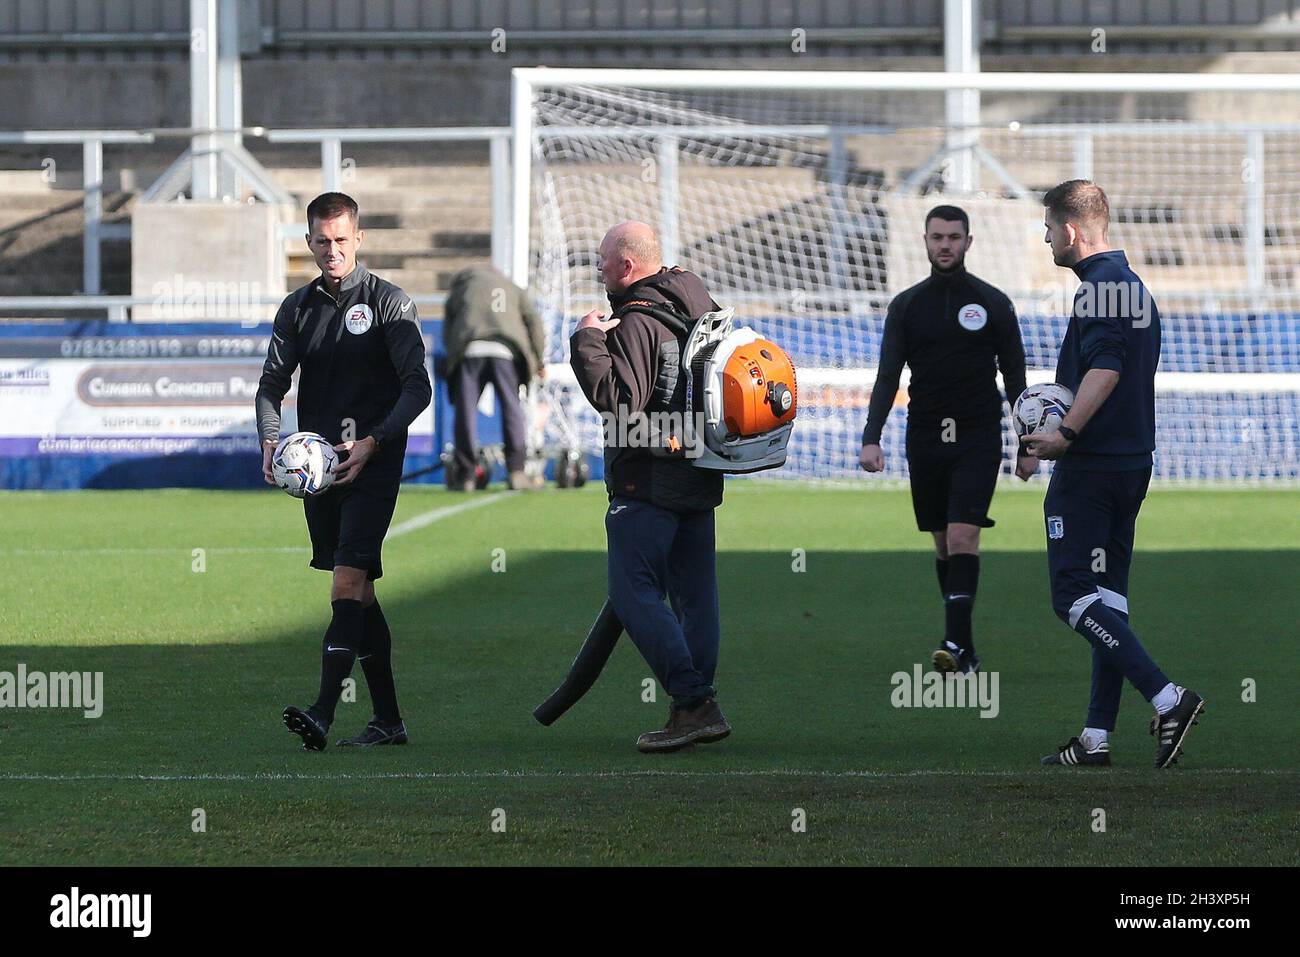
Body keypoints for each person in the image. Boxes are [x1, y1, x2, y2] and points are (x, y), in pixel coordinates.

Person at [1027, 179, 1204, 769]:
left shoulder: (1099, 290)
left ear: (1072, 231)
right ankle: (1097, 738)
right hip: (1130, 463)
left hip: (1093, 469)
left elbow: (1105, 369)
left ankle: (1168, 697)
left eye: (1049, 228)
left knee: (1072, 595)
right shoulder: (1131, 286)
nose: (1046, 237)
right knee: (1108, 599)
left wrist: (1063, 433)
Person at [256, 191, 432, 751]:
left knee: (347, 583)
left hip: (373, 463)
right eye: (321, 241)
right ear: (308, 241)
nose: (332, 250)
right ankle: (389, 722)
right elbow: (270, 387)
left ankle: (323, 713)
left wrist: (375, 440)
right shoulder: (297, 308)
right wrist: (269, 441)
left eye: (341, 240)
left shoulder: (390, 304)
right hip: (318, 470)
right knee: (363, 596)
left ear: (358, 239)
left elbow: (418, 387)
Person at [569, 221, 730, 753]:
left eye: (602, 260)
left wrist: (587, 339)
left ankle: (693, 701)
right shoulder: (698, 302)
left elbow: (619, 403)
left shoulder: (638, 321)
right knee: (695, 598)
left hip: (647, 477)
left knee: (632, 592)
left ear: (627, 266)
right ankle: (694, 710)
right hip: (699, 467)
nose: (597, 269)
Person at [859, 205, 1034, 675]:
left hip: (979, 435)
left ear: (968, 242)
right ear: (925, 241)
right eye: (937, 237)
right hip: (926, 437)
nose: (945, 245)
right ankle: (965, 645)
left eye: (954, 237)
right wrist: (871, 437)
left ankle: (954, 643)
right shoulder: (907, 306)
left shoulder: (995, 304)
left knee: (962, 534)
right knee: (943, 543)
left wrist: (1026, 442)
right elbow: (887, 377)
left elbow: (1016, 378)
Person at [442, 263, 546, 491]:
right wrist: (537, 360)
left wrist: (452, 357)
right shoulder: (512, 287)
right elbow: (534, 322)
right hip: (505, 351)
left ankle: (467, 474)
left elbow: (448, 325)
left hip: (469, 349)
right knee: (511, 408)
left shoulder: (462, 287)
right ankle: (516, 471)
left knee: (465, 410)